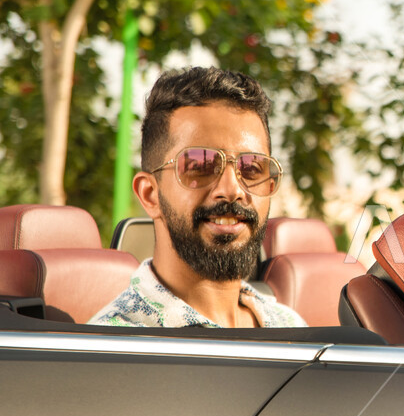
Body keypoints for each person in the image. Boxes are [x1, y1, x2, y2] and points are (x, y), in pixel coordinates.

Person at [90, 67, 305, 328]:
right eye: (200, 166)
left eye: (251, 168)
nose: (233, 189)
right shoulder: (114, 348)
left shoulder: (291, 328)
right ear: (150, 195)